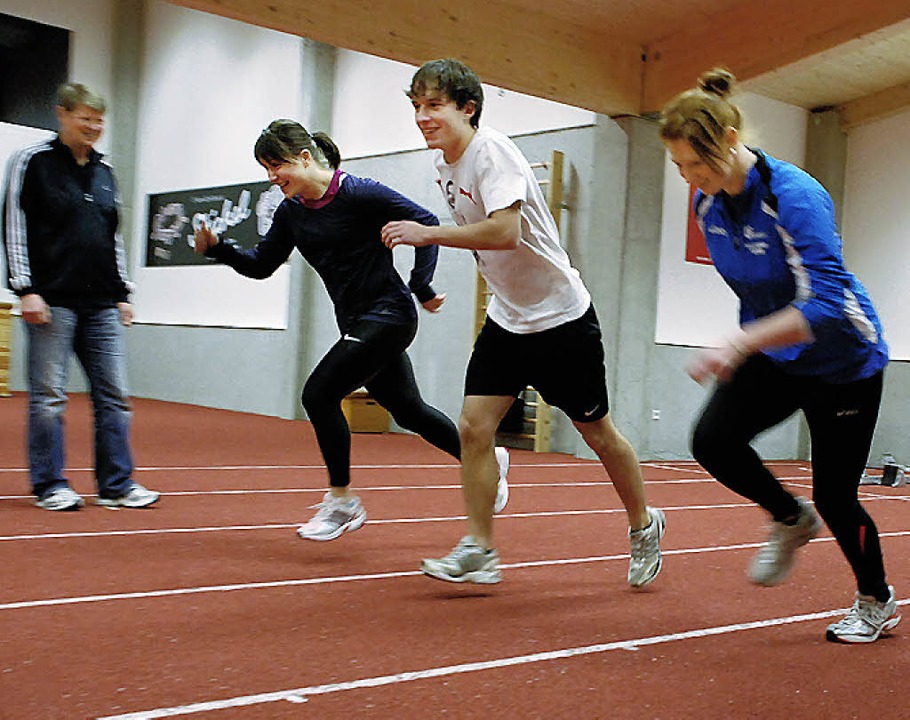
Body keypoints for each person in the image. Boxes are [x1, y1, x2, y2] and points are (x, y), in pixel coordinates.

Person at [382, 58, 665, 587]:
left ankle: (644, 524)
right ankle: (481, 548)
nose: (422, 116)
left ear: (467, 108)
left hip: (561, 321)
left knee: (598, 434)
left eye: (434, 105)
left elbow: (505, 231)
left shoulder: (491, 152)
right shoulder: (444, 165)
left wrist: (429, 234)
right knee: (473, 428)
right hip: (509, 320)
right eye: (417, 106)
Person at [660, 68, 900, 643]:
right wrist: (749, 341)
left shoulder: (795, 196)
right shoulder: (709, 205)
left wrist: (740, 342)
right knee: (712, 441)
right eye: (677, 166)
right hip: (780, 355)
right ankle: (790, 519)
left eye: (693, 164)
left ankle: (877, 601)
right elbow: (757, 288)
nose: (686, 177)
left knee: (837, 497)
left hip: (845, 362)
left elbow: (826, 303)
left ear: (727, 142)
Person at [194, 119, 509, 541]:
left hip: (390, 316)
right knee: (408, 410)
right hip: (357, 322)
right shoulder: (291, 213)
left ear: (304, 158)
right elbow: (262, 264)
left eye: (277, 166)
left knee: (318, 393)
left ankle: (342, 501)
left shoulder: (358, 192)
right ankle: (484, 459)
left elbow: (425, 223)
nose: (272, 177)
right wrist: (219, 250)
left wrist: (421, 285)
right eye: (265, 169)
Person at [2, 83, 158, 511]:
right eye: (84, 117)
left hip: (103, 304)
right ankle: (50, 484)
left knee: (115, 397)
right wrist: (25, 289)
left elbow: (113, 237)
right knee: (49, 397)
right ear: (62, 115)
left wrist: (123, 291)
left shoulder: (106, 172)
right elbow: (13, 224)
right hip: (51, 302)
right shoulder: (31, 162)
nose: (92, 126)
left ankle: (116, 485)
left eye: (98, 120)